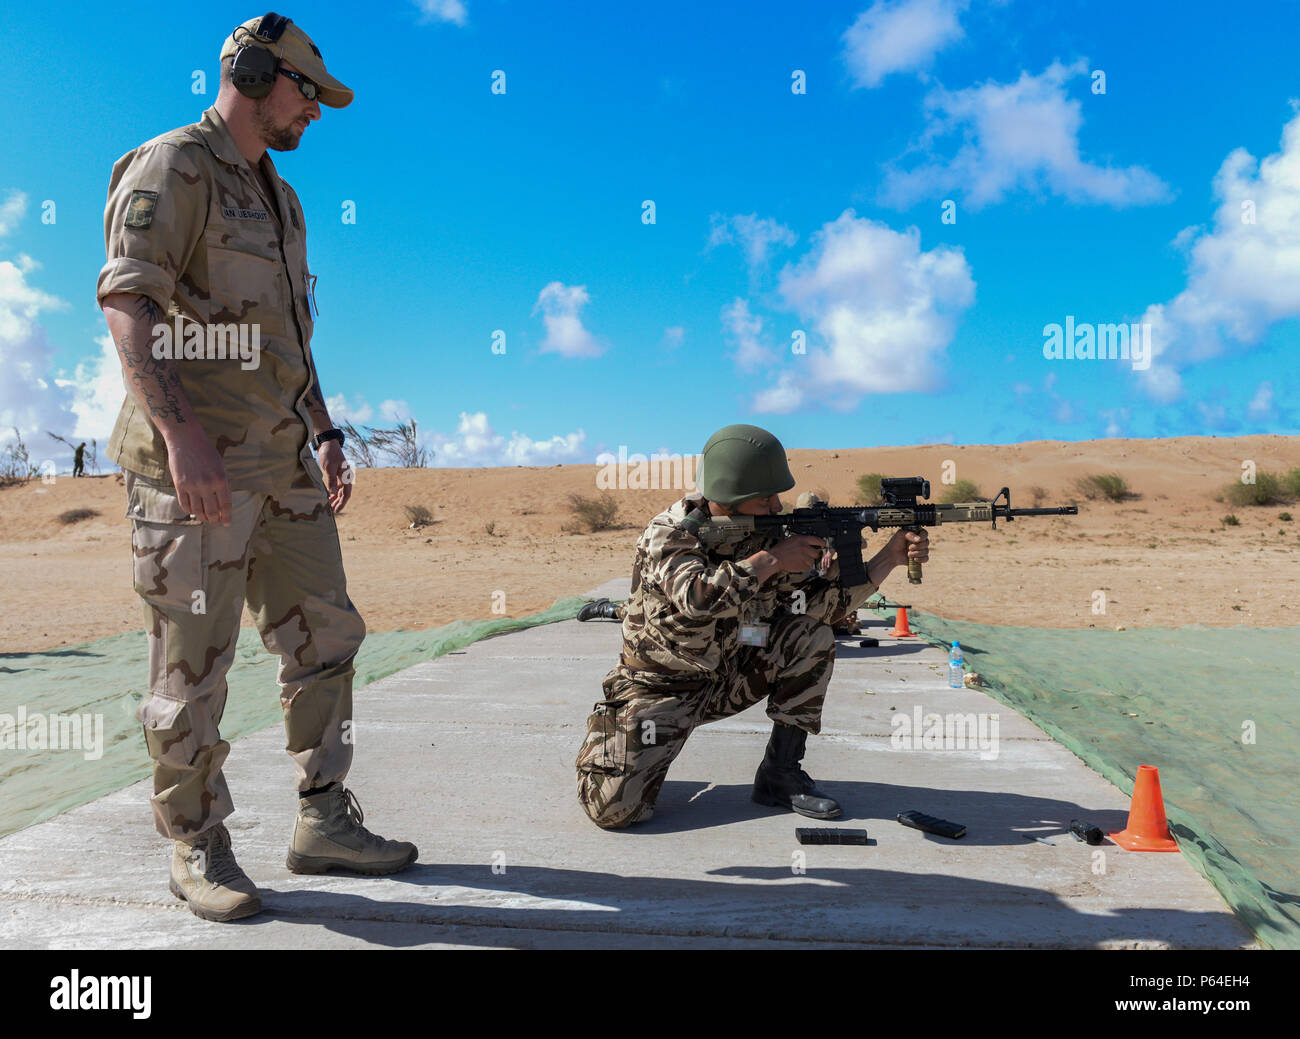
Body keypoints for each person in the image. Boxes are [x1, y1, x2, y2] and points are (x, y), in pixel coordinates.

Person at [98, 13, 415, 922]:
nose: (314, 112)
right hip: (193, 472)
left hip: (283, 465)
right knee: (192, 667)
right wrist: (181, 437)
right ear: (252, 71)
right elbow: (128, 302)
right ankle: (196, 842)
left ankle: (323, 818)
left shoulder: (282, 198)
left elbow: (291, 339)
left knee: (327, 637)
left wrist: (324, 430)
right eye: (306, 91)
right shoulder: (172, 166)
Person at [576, 424, 929, 828]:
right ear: (731, 498)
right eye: (766, 498)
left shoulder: (764, 534)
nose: (778, 506)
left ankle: (780, 774)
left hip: (727, 678)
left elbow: (824, 609)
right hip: (660, 690)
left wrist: (888, 559)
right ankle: (616, 742)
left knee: (807, 635)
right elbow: (697, 600)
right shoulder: (670, 534)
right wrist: (773, 560)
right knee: (614, 811)